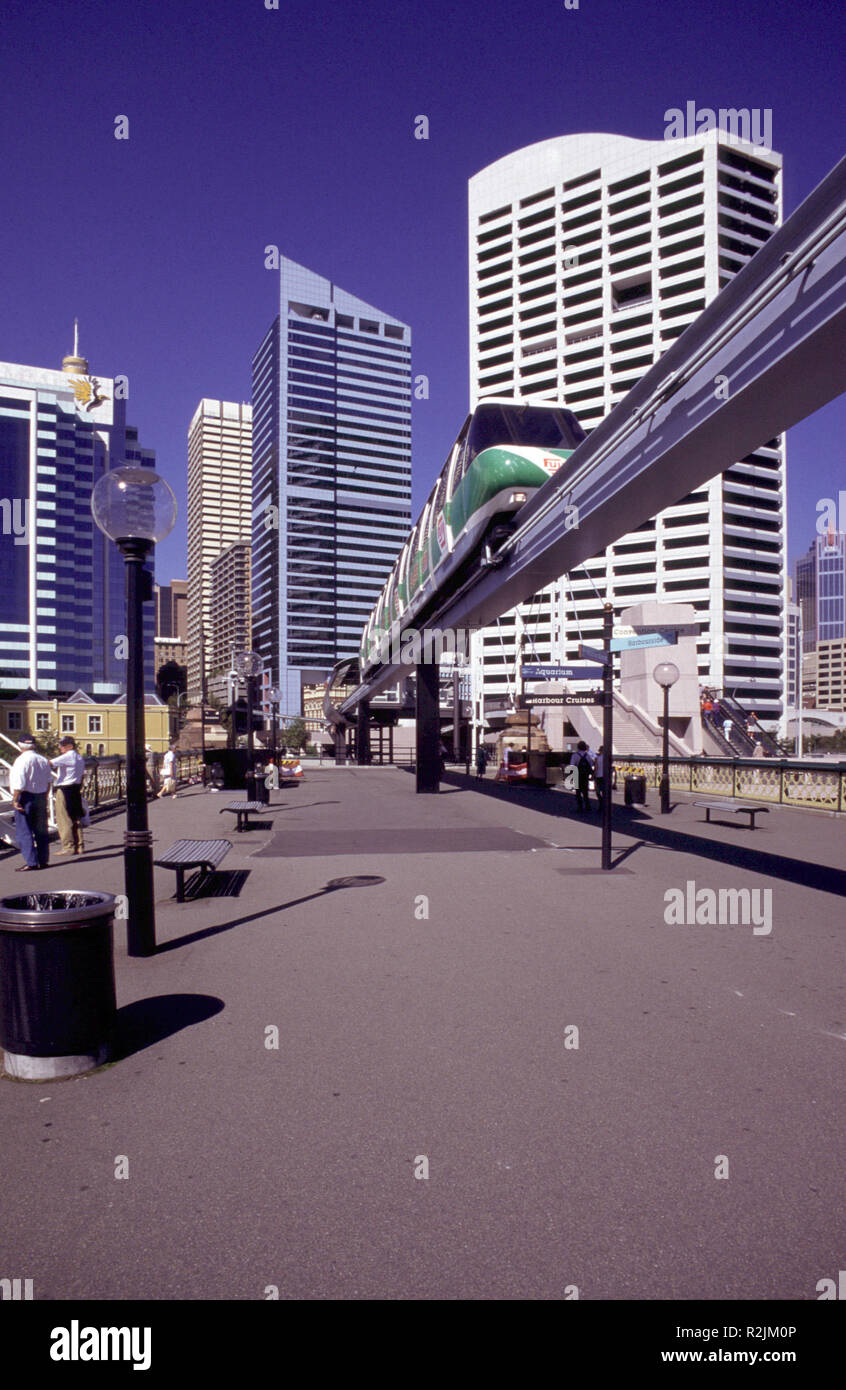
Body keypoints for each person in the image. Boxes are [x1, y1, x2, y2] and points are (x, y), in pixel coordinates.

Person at [9, 734, 52, 871]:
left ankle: (31, 862)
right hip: (40, 796)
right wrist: (44, 796)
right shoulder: (42, 760)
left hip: (25, 796)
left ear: (20, 745)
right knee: (41, 830)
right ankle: (43, 860)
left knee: (24, 831)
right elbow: (49, 781)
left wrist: (15, 800)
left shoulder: (21, 761)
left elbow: (19, 784)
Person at [50, 735, 87, 855]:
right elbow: (81, 776)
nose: (60, 748)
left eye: (62, 745)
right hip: (75, 788)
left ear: (70, 746)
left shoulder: (67, 756)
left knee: (64, 819)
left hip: (65, 789)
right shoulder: (80, 758)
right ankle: (80, 845)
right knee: (76, 817)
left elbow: (49, 763)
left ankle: (68, 847)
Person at [569, 740, 595, 813]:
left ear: (578, 747)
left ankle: (580, 807)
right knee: (585, 791)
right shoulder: (588, 756)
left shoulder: (575, 755)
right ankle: (587, 805)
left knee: (578, 792)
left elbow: (572, 765)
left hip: (578, 775)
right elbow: (591, 764)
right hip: (585, 775)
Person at [594, 744, 606, 813]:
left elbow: (596, 767)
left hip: (598, 776)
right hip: (605, 776)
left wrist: (594, 775)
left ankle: (601, 803)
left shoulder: (597, 758)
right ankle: (605, 804)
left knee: (598, 791)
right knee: (604, 791)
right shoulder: (607, 758)